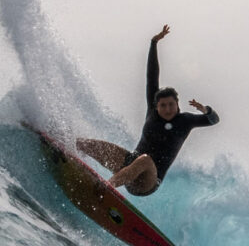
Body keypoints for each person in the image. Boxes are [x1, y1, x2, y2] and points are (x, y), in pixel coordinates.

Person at [77, 25, 219, 196]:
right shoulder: (152, 111)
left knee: (144, 160)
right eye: (163, 105)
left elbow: (214, 120)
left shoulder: (185, 121)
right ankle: (62, 149)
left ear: (177, 104)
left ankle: (106, 188)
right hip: (129, 166)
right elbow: (152, 76)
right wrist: (153, 43)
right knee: (88, 145)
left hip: (148, 181)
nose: (167, 109)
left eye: (171, 105)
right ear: (156, 105)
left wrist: (205, 109)